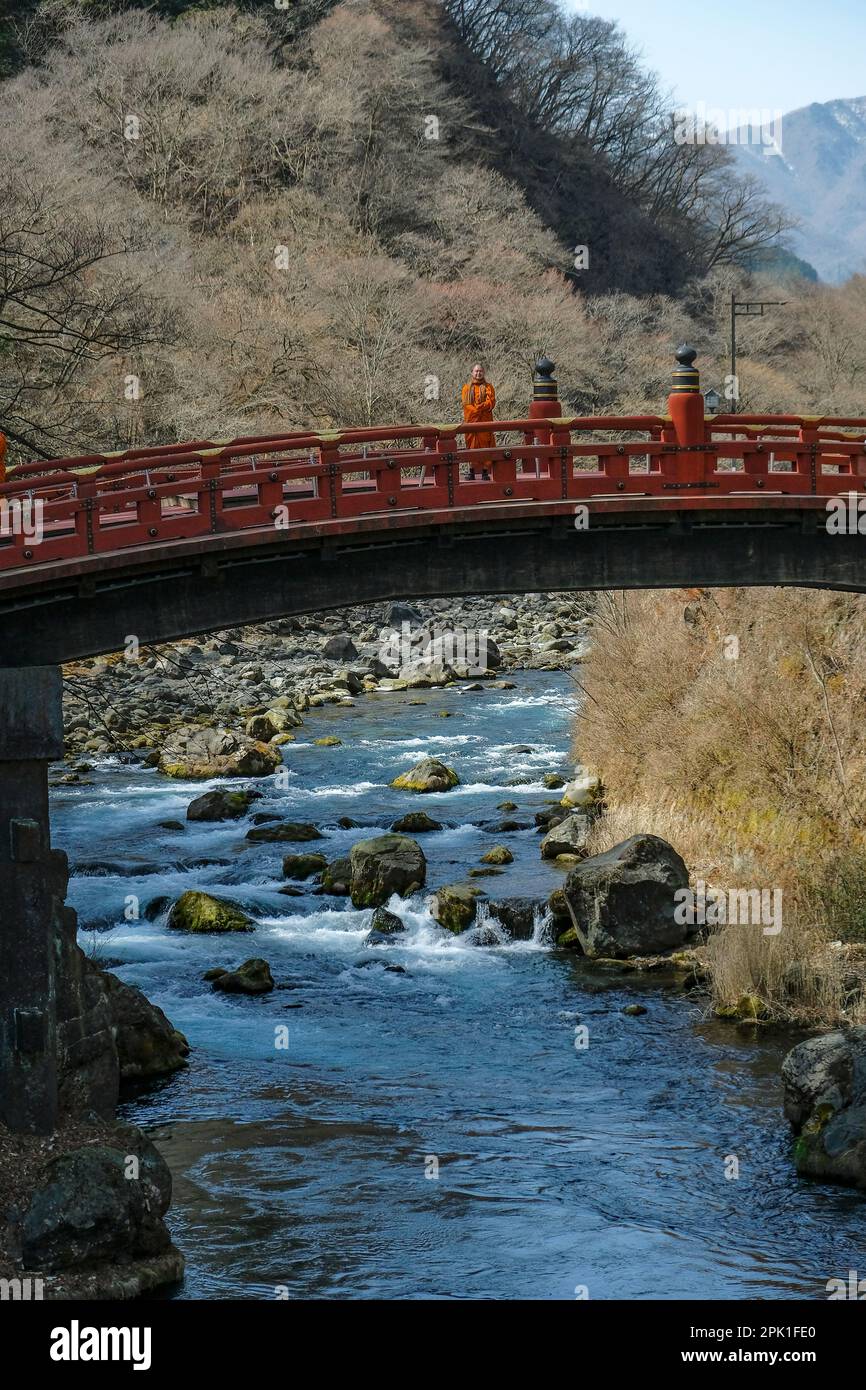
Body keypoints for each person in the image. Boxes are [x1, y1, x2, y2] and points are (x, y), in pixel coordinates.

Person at [461, 364, 495, 480]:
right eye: (476, 371)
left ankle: (485, 472)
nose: (478, 373)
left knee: (486, 445)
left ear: (484, 372)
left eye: (480, 371)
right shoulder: (466, 388)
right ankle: (471, 472)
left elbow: (491, 402)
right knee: (471, 447)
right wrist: (477, 410)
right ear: (472, 373)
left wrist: (480, 407)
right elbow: (466, 404)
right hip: (471, 423)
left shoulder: (488, 387)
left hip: (485, 423)